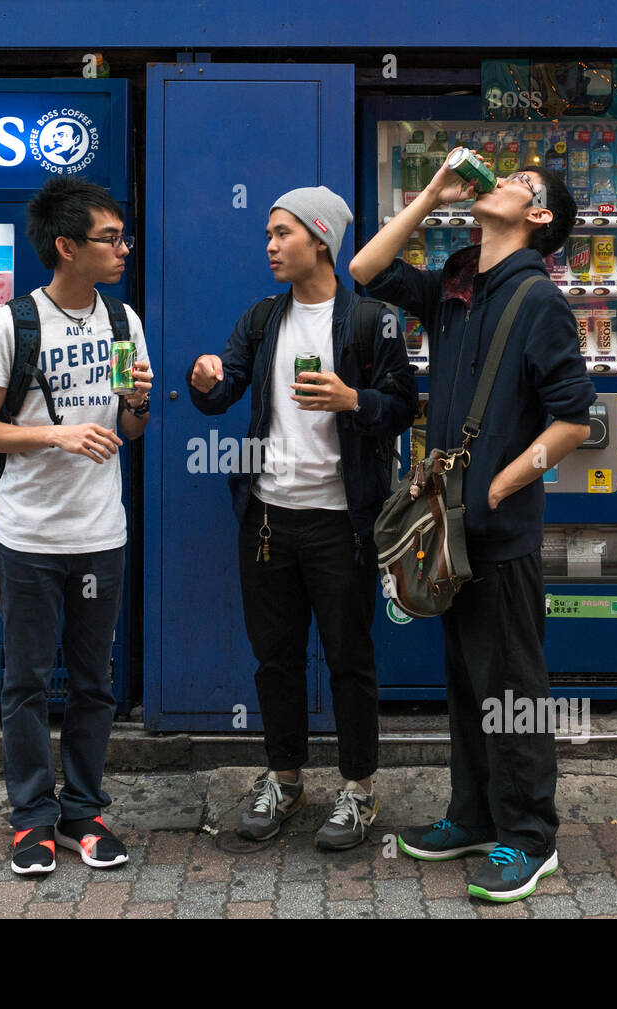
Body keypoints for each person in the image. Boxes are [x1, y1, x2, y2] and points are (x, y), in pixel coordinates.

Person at [349, 157, 595, 901]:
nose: (501, 180)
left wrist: (502, 481)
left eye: (521, 180)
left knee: (513, 684)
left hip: (500, 526)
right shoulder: (456, 288)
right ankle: (474, 813)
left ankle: (529, 835)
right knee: (466, 679)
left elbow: (574, 418)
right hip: (448, 528)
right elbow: (364, 267)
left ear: (539, 216)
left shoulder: (538, 301)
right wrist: (431, 195)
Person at [188, 186, 417, 850]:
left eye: (281, 233)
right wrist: (204, 378)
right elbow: (223, 386)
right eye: (267, 234)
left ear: (320, 240)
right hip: (266, 519)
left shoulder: (371, 320)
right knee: (276, 658)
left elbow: (405, 405)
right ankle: (284, 780)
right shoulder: (262, 319)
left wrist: (354, 399)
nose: (269, 245)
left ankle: (358, 792)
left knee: (350, 659)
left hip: (341, 523)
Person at [0, 178, 152, 876]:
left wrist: (134, 405)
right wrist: (58, 436)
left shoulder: (124, 321)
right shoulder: (12, 324)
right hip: (30, 538)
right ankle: (32, 817)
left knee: (93, 682)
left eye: (122, 236)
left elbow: (129, 428)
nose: (123, 247)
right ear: (67, 246)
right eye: (110, 238)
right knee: (25, 684)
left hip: (102, 533)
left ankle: (84, 809)